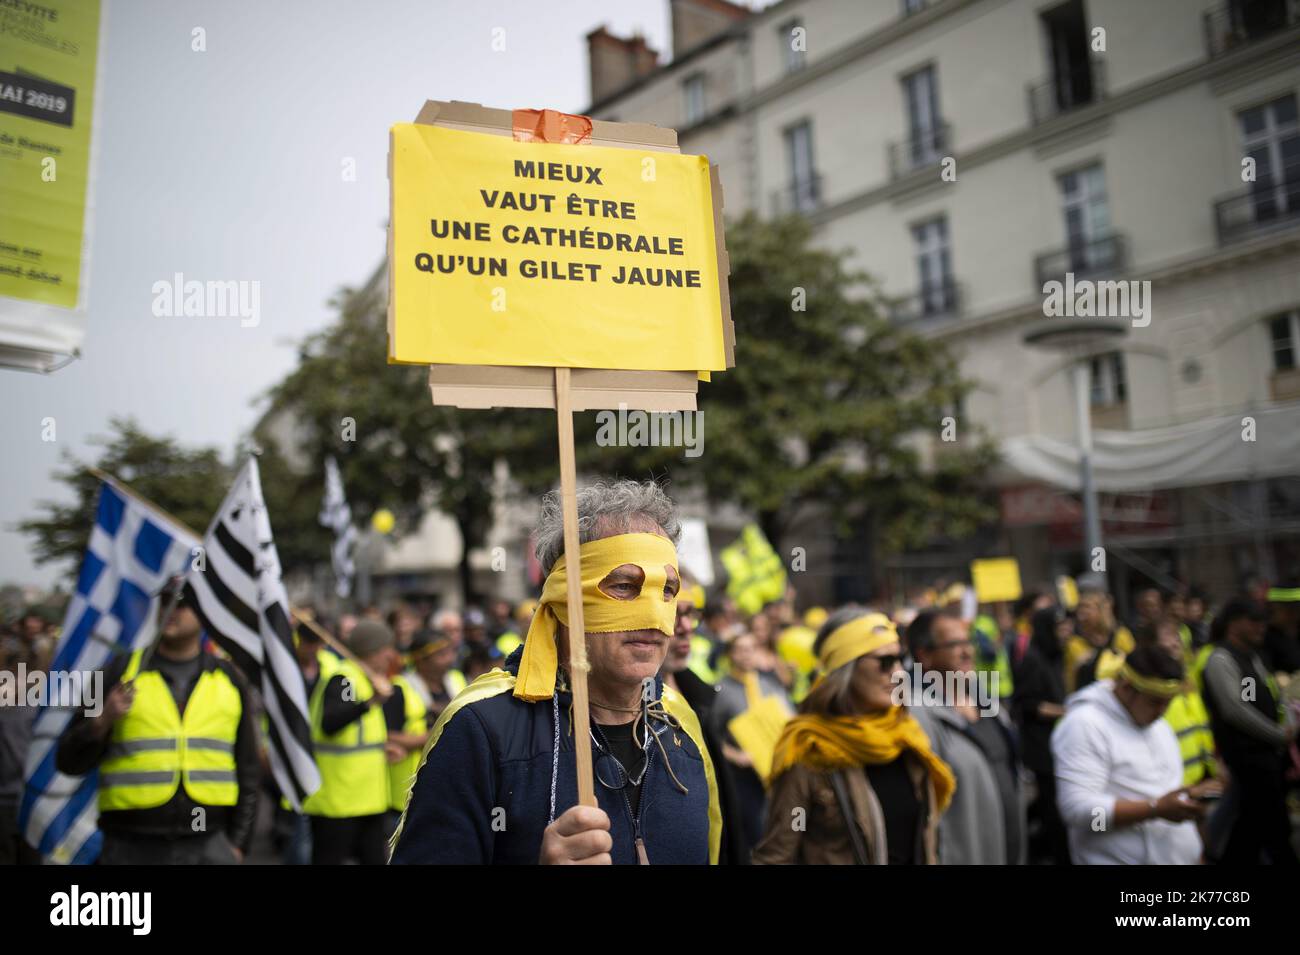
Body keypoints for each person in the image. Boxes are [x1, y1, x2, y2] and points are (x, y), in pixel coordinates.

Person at [391, 480, 720, 865]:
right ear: (564, 598)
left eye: (667, 590)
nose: (653, 617)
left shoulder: (681, 726)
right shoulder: (482, 730)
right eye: (624, 586)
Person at [55, 584, 260, 864]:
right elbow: (67, 760)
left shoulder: (231, 680)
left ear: (205, 613)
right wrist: (101, 720)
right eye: (164, 601)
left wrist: (238, 845)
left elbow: (248, 768)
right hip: (128, 846)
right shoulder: (113, 673)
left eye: (181, 604)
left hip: (207, 844)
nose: (170, 610)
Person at [752, 607, 955, 865]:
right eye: (884, 662)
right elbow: (776, 857)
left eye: (900, 659)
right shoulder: (807, 750)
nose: (898, 673)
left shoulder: (908, 736)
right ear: (846, 669)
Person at [1051, 646, 1220, 864]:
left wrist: (1190, 799)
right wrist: (1154, 809)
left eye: (1167, 703)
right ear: (1126, 686)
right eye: (1155, 702)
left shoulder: (1158, 725)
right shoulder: (1083, 725)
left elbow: (1163, 792)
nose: (1162, 711)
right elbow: (1079, 816)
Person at [908, 608, 1026, 864]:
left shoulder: (986, 702)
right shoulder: (916, 718)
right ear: (924, 655)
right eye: (954, 644)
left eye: (968, 641)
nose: (968, 651)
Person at [1201, 597, 1298, 864]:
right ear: (1234, 624)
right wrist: (1278, 734)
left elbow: (1254, 697)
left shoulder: (1250, 657)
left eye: (1263, 621)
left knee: (1253, 828)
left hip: (1265, 758)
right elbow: (1235, 711)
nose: (1261, 627)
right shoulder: (1220, 658)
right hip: (1248, 759)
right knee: (1273, 828)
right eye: (1254, 621)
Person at [661, 585, 749, 864]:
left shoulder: (701, 696)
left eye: (691, 614)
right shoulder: (626, 707)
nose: (686, 627)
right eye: (674, 614)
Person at [303, 619, 403, 865]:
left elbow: (358, 734)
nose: (390, 656)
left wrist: (383, 748)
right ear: (373, 651)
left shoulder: (363, 678)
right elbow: (331, 722)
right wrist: (369, 703)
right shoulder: (344, 678)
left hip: (366, 799)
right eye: (386, 649)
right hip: (339, 802)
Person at [708, 631, 793, 858]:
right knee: (754, 835)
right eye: (740, 650)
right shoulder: (721, 691)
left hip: (775, 774)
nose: (747, 655)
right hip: (743, 778)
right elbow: (711, 737)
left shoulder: (770, 684)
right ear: (730, 655)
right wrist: (735, 755)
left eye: (751, 648)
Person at [1013, 605, 1072, 865]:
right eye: (1059, 627)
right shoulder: (1033, 660)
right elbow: (1028, 705)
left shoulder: (1056, 655)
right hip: (1042, 748)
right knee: (1052, 807)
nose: (1065, 632)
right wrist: (1067, 712)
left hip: (1060, 744)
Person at [1064, 589, 1135, 694]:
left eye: (1087, 607)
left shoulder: (1120, 635)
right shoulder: (1074, 642)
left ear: (1101, 610)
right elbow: (1069, 680)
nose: (1082, 612)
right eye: (1080, 608)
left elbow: (1134, 667)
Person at [402, 629, 465, 721]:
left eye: (450, 652)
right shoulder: (402, 687)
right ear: (420, 661)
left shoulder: (457, 677)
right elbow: (389, 733)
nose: (449, 659)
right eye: (442, 654)